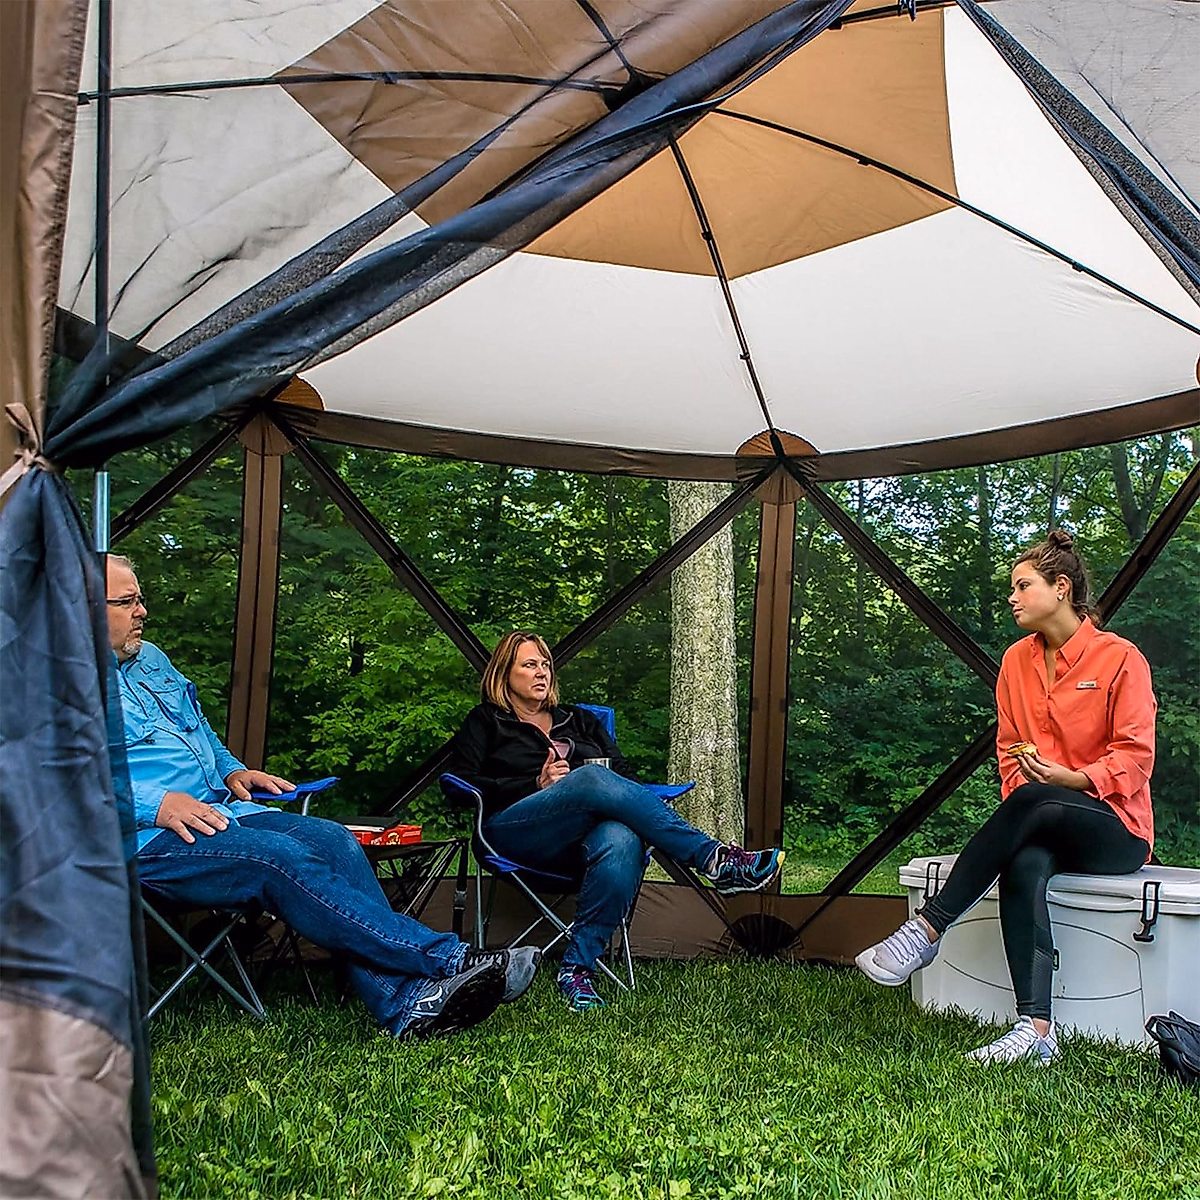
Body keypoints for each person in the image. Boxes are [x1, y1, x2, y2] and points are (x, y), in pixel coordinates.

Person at [107, 554, 539, 1040]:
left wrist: (232, 771)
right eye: (127, 601)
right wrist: (158, 804)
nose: (142, 610)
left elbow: (200, 731)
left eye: (140, 598)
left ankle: (407, 1004)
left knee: (335, 840)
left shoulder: (151, 659)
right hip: (141, 840)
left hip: (220, 811)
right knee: (280, 858)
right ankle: (449, 957)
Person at [855, 531, 1155, 1064]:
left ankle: (928, 926)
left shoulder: (1121, 659)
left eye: (1022, 586)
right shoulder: (1016, 662)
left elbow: (1135, 758)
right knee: (1024, 863)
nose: (1012, 598)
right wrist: (1035, 797)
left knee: (1037, 798)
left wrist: (1069, 780)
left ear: (1061, 588)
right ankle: (1037, 1030)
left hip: (1116, 828)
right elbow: (1010, 755)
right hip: (1041, 817)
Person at [450, 630, 786, 1012]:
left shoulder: (580, 721)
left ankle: (577, 969)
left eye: (546, 664)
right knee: (590, 776)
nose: (542, 672)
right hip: (514, 834)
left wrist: (597, 789)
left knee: (621, 836)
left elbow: (624, 776)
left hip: (579, 844)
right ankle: (713, 859)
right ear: (503, 673)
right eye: (529, 665)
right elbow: (459, 783)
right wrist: (534, 783)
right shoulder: (487, 722)